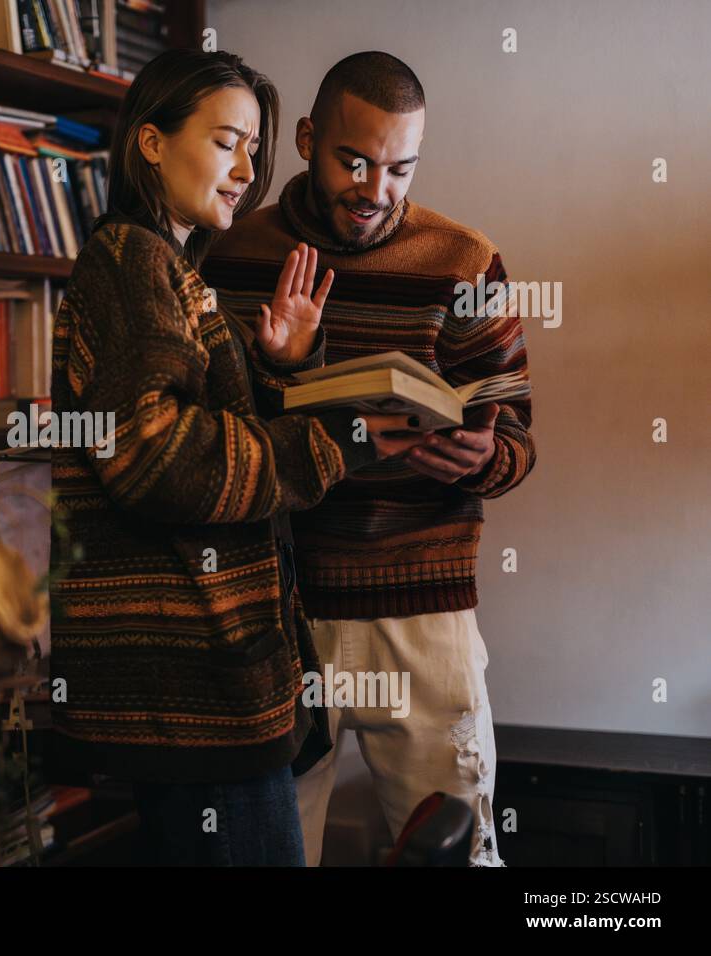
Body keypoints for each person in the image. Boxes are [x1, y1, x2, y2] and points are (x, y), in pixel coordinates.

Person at [46, 49, 425, 866]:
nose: (248, 171)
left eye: (253, 149)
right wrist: (337, 442)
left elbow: (185, 428)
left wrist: (281, 366)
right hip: (194, 692)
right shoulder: (132, 262)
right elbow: (155, 456)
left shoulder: (168, 266)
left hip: (203, 685)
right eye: (227, 142)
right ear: (151, 141)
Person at [202, 51, 536, 866]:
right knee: (273, 853)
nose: (376, 189)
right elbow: (213, 441)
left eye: (399, 168)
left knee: (461, 852)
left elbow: (520, 443)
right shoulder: (230, 253)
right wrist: (287, 370)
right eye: (354, 160)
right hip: (278, 606)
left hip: (424, 609)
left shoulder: (464, 262)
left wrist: (481, 457)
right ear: (309, 139)